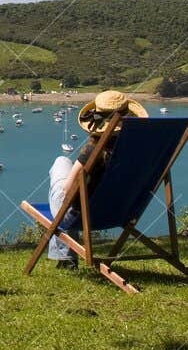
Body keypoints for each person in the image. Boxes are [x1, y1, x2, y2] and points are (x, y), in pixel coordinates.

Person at [43, 90, 147, 267]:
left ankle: (66, 257)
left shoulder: (94, 149)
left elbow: (68, 191)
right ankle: (64, 257)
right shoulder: (139, 150)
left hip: (83, 216)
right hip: (122, 212)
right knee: (69, 174)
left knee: (61, 162)